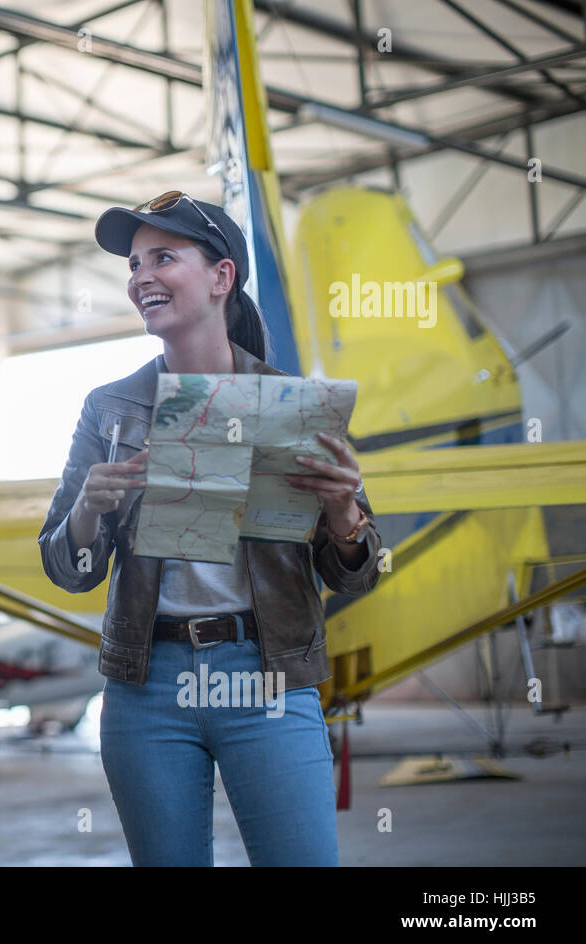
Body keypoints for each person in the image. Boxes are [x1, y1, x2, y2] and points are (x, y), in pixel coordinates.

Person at [39, 191, 383, 866]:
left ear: (221, 277)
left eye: (163, 257)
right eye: (135, 263)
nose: (141, 277)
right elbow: (67, 569)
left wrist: (345, 518)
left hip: (268, 678)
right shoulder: (109, 409)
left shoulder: (292, 405)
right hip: (147, 687)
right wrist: (88, 510)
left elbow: (360, 572)